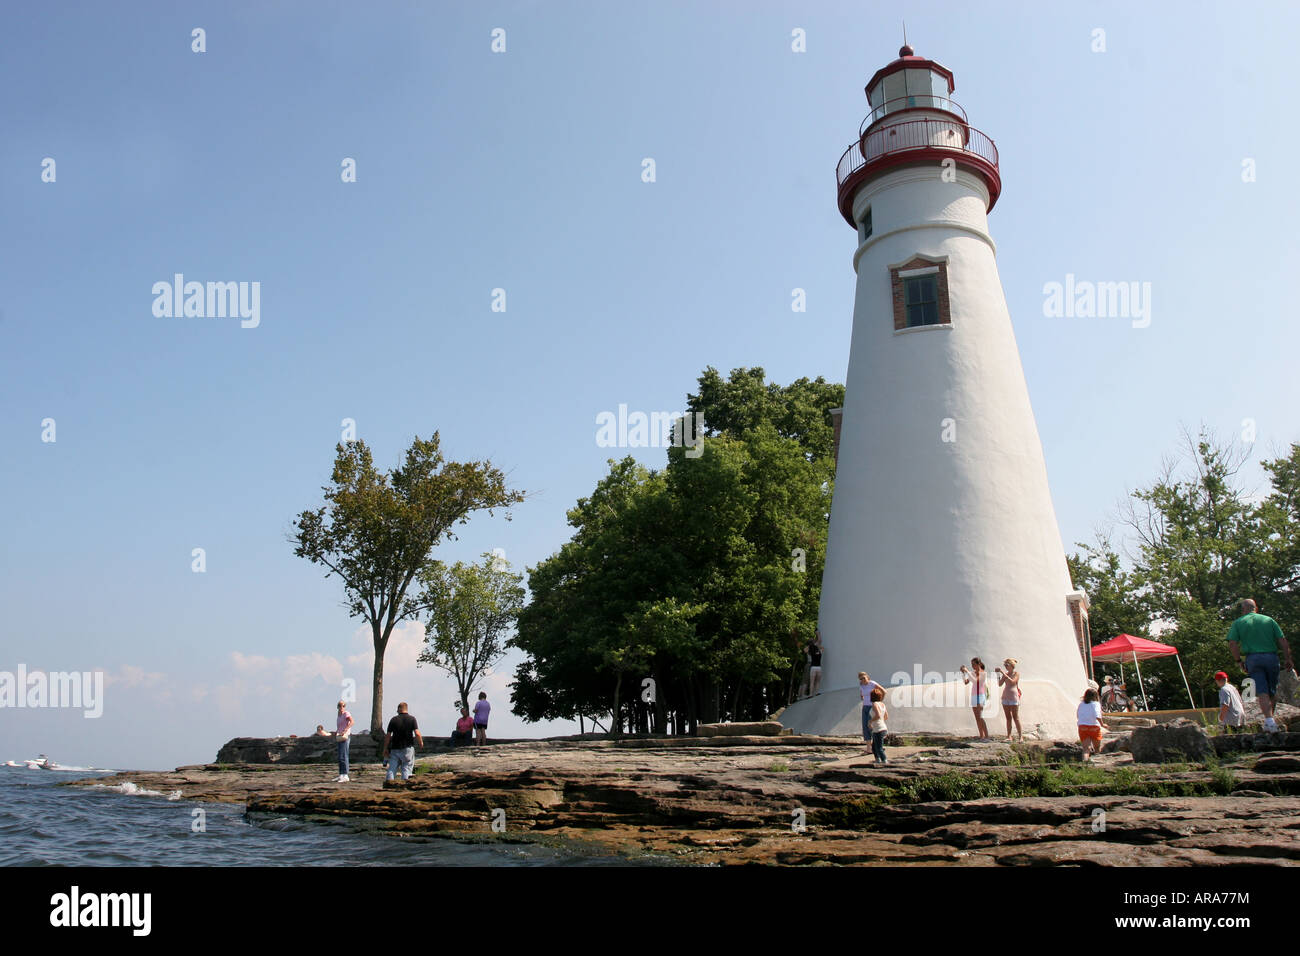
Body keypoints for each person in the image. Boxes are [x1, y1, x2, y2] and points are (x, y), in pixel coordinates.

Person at [1227, 598, 1294, 733]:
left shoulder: (1239, 623)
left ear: (1243, 610)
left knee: (1262, 691)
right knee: (1272, 690)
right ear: (1256, 608)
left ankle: (1269, 721)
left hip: (1253, 659)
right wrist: (1288, 659)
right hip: (1271, 657)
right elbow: (1283, 640)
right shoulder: (1269, 620)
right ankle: (1271, 721)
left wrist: (1239, 661)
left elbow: (1232, 643)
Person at [382, 701, 423, 782]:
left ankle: (389, 785)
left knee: (392, 768)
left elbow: (388, 736)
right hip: (407, 748)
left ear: (398, 710)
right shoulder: (412, 719)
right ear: (406, 709)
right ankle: (405, 785)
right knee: (406, 768)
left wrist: (385, 748)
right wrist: (421, 743)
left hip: (395, 748)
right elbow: (417, 734)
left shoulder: (393, 720)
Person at [959, 658, 991, 740]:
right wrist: (963, 674)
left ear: (978, 664)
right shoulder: (972, 673)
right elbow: (966, 682)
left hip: (980, 695)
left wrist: (967, 672)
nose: (972, 666)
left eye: (974, 664)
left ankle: (986, 735)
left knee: (980, 716)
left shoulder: (983, 673)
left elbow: (976, 682)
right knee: (977, 717)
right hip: (973, 695)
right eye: (972, 664)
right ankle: (981, 735)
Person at [996, 658, 1022, 742]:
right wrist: (999, 675)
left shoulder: (1016, 673)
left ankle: (1020, 736)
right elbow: (1000, 684)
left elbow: (1013, 682)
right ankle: (1009, 736)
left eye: (1007, 665)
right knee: (1008, 717)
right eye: (1005, 665)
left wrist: (1003, 673)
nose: (1006, 667)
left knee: (1015, 717)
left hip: (1013, 696)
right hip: (1006, 696)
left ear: (1011, 665)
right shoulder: (1005, 674)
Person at [857, 672, 885, 743]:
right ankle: (868, 747)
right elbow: (862, 694)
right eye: (861, 679)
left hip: (872, 707)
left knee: (872, 726)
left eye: (864, 678)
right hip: (865, 707)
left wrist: (879, 701)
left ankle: (877, 744)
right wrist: (863, 698)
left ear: (867, 677)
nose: (863, 680)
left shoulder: (872, 683)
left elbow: (884, 691)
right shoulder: (861, 685)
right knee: (865, 726)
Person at [1077, 688, 1103, 759]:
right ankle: (1097, 764)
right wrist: (1102, 724)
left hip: (1082, 727)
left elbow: (1078, 715)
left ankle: (1085, 764)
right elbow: (1097, 715)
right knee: (1097, 748)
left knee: (1086, 749)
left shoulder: (1081, 704)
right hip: (1094, 726)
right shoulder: (1096, 704)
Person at [868, 687, 889, 764]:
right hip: (882, 727)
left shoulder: (874, 704)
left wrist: (870, 721)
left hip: (878, 729)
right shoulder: (882, 704)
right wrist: (880, 721)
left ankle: (884, 761)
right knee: (874, 747)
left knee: (879, 748)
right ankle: (878, 760)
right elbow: (886, 716)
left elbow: (878, 715)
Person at [335, 700, 354, 783]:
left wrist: (346, 729)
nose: (341, 707)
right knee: (340, 756)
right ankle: (341, 774)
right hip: (339, 736)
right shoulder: (339, 715)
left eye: (343, 705)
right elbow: (339, 726)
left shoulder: (346, 713)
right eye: (340, 705)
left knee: (344, 755)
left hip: (345, 736)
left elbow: (352, 722)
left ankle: (345, 775)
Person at [806, 631, 824, 698]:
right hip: (819, 668)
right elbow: (822, 648)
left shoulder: (811, 653)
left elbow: (806, 650)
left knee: (812, 682)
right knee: (817, 682)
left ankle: (810, 694)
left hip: (813, 668)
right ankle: (816, 693)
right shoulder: (820, 653)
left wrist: (810, 645)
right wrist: (818, 646)